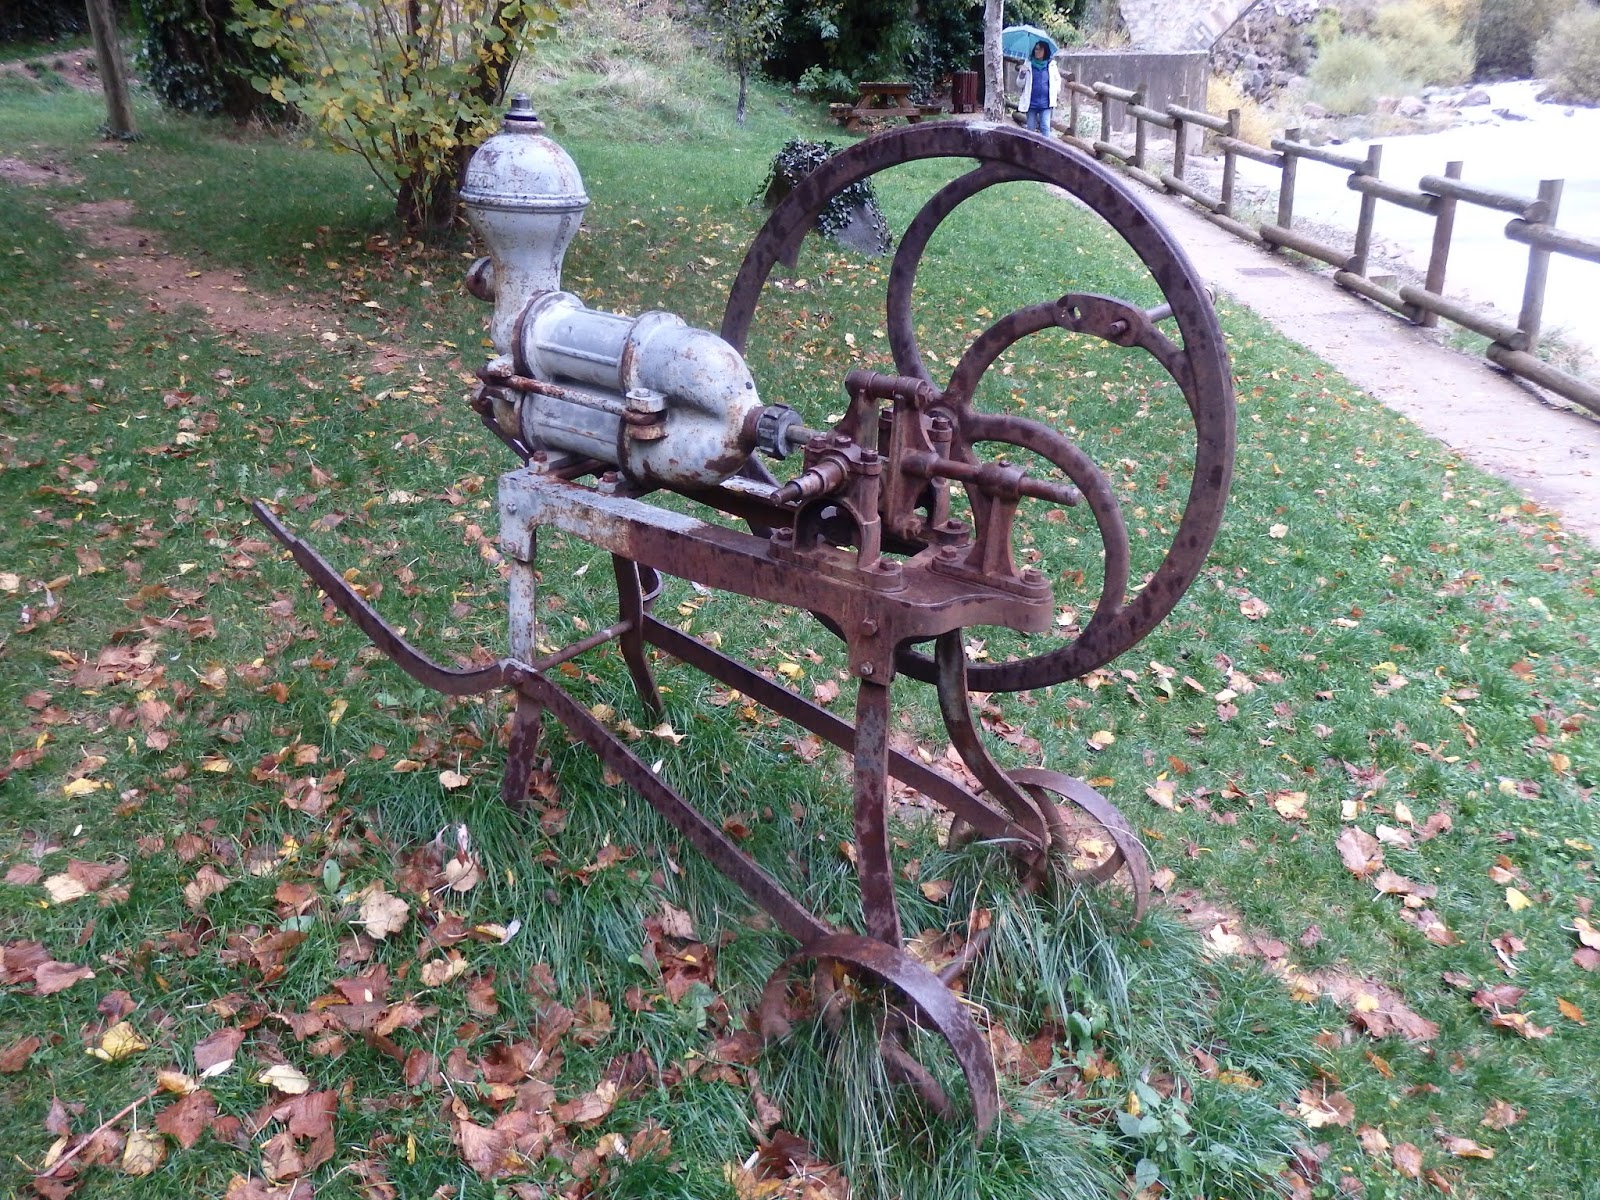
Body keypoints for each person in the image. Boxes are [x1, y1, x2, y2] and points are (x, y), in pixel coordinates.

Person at [1016, 39, 1060, 137]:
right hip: (1031, 103)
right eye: (1036, 49)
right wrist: (1022, 74)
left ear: (1045, 51)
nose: (1037, 52)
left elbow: (1057, 81)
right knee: (1030, 128)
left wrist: (1056, 92)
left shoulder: (1051, 65)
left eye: (1040, 50)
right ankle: (1031, 151)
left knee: (1045, 127)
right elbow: (1019, 84)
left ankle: (1047, 150)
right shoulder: (1028, 64)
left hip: (1046, 103)